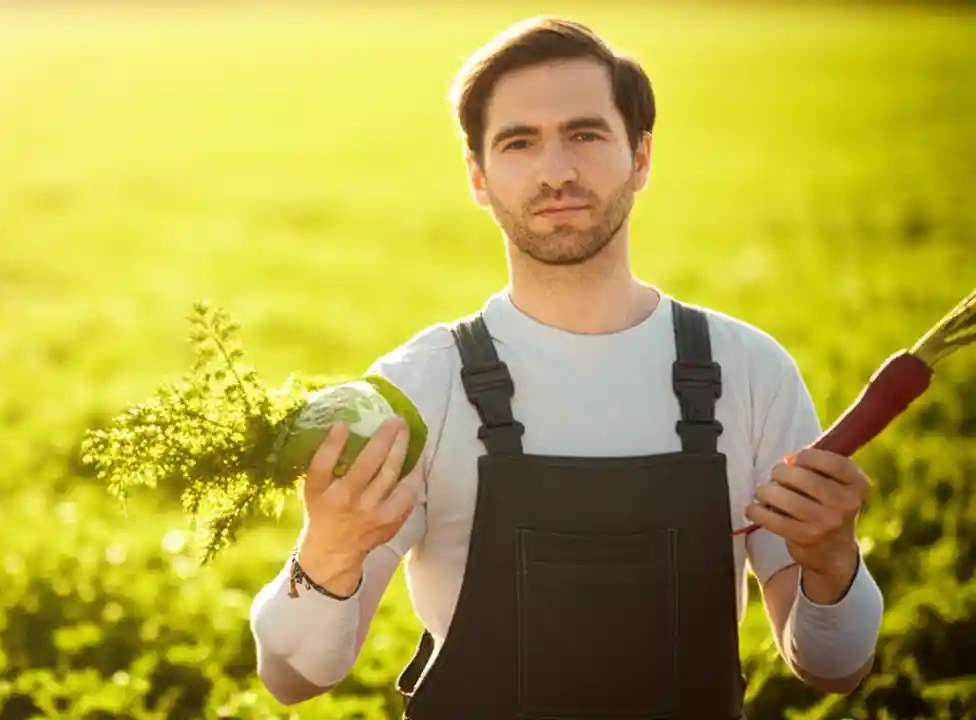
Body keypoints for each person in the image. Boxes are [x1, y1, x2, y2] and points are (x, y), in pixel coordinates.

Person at [249, 15, 884, 719]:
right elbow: (292, 679)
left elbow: (832, 666)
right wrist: (327, 553)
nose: (556, 172)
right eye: (519, 143)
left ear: (641, 156)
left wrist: (832, 566)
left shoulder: (750, 373)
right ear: (478, 177)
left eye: (585, 134)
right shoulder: (423, 388)